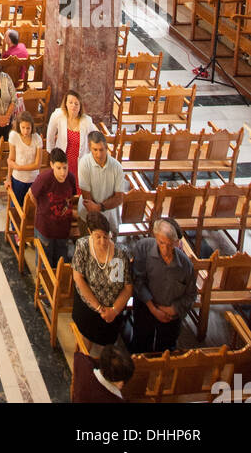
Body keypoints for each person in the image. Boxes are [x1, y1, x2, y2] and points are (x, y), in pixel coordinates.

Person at [131, 218, 196, 353]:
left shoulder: (185, 265)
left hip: (170, 316)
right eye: (161, 243)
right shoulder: (143, 248)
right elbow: (138, 282)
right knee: (141, 346)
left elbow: (191, 295)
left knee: (166, 349)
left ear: (177, 243)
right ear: (155, 237)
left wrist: (174, 308)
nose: (166, 250)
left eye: (170, 245)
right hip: (146, 308)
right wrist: (154, 309)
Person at [71, 212, 133, 350]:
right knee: (85, 342)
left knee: (108, 345)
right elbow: (78, 279)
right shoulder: (83, 246)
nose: (102, 241)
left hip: (112, 309)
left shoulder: (120, 254)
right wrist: (98, 307)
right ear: (89, 232)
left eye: (106, 237)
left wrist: (114, 310)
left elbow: (128, 288)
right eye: (98, 237)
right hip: (89, 307)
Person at [30, 147, 78, 267]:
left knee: (61, 262)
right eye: (59, 168)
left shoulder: (71, 178)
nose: (63, 172)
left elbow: (71, 197)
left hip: (63, 229)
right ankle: (42, 287)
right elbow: (31, 195)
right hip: (45, 228)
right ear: (51, 165)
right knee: (44, 265)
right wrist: (41, 209)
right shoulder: (44, 179)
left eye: (65, 168)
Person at [78, 130, 127, 234]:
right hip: (89, 215)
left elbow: (119, 198)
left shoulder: (117, 167)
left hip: (109, 216)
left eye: (101, 150)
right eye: (95, 150)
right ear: (89, 147)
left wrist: (100, 207)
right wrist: (95, 212)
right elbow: (87, 197)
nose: (99, 154)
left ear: (106, 147)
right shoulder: (84, 163)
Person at [46, 90, 95, 185]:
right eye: (70, 103)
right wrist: (52, 155)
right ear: (66, 104)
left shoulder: (87, 121)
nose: (73, 106)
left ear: (80, 106)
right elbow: (50, 136)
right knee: (61, 185)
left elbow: (94, 140)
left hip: (79, 161)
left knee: (77, 187)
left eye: (76, 104)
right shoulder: (58, 115)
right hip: (62, 159)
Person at [7, 111, 42, 206]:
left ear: (32, 127)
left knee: (30, 207)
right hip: (18, 178)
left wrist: (19, 168)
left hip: (33, 179)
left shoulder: (37, 139)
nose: (26, 131)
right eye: (23, 128)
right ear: (19, 126)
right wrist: (8, 178)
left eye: (28, 128)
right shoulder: (14, 136)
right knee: (16, 206)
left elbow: (37, 165)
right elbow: (11, 159)